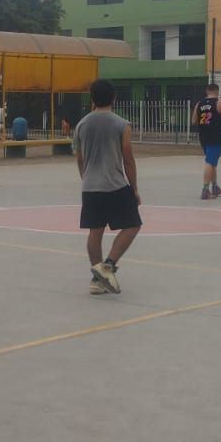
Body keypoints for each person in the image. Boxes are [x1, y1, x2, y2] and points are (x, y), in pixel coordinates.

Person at [74, 78, 141, 294]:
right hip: (114, 184)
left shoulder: (82, 124)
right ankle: (108, 266)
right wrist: (134, 188)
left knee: (96, 230)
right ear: (114, 98)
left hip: (90, 185)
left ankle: (97, 280)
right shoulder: (121, 124)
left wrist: (86, 178)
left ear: (92, 98)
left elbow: (79, 157)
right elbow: (128, 158)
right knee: (132, 224)